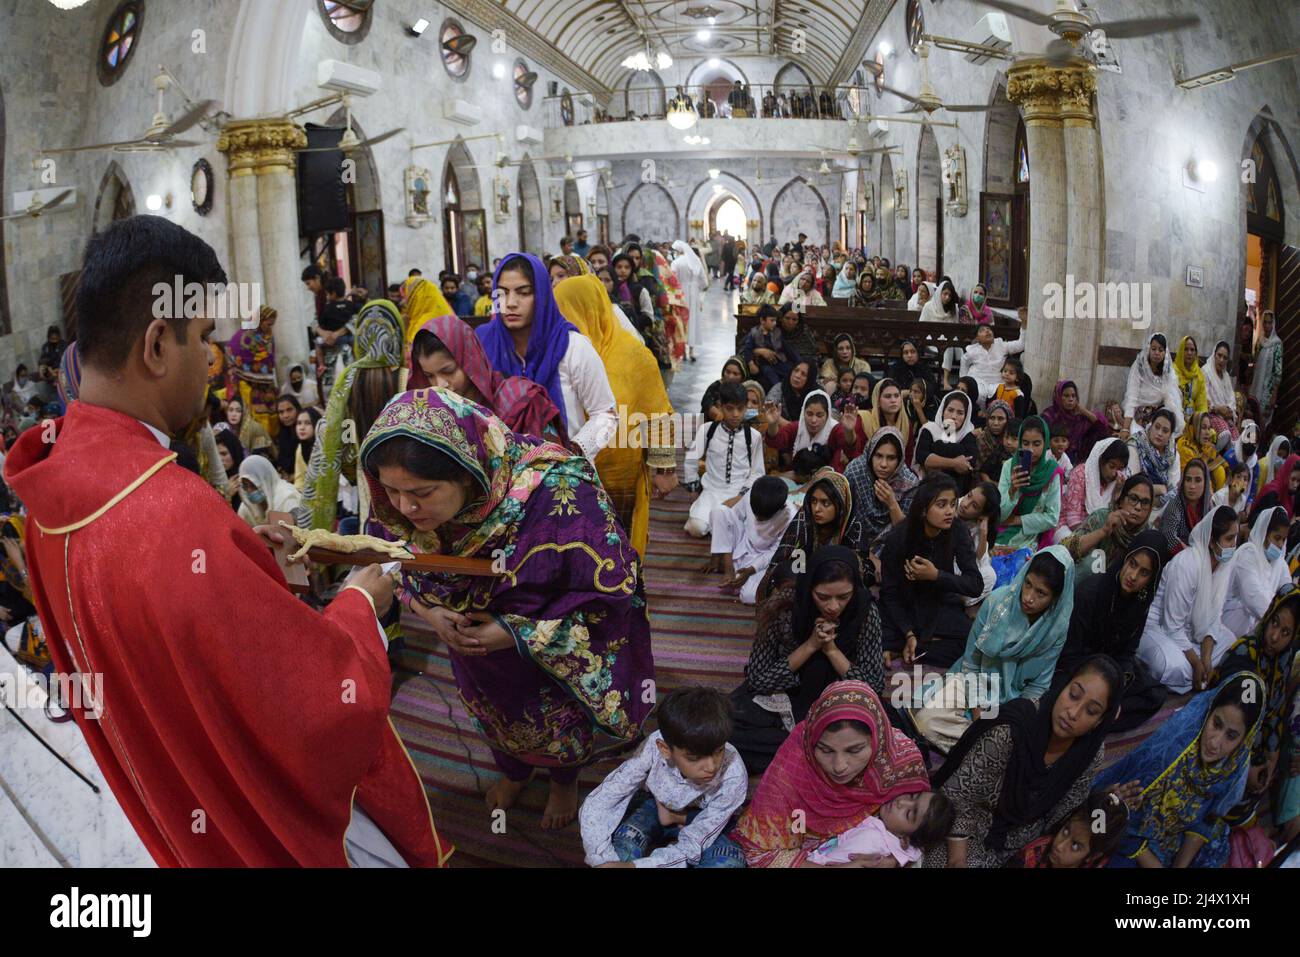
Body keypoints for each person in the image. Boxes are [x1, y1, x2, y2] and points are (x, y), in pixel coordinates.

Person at [3, 216, 448, 867]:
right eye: (206, 339)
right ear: (157, 345)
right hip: (251, 827)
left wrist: (239, 564)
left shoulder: (53, 492)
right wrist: (359, 604)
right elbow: (317, 711)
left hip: (174, 803)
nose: (215, 369)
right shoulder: (171, 513)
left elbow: (169, 631)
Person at [361, 387, 655, 830]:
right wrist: (429, 613)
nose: (404, 507)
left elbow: (612, 594)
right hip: (473, 650)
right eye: (391, 490)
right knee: (494, 712)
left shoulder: (560, 493)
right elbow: (393, 558)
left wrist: (517, 632)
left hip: (547, 657)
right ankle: (514, 771)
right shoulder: (398, 506)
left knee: (557, 721)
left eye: (421, 492)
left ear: (468, 474)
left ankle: (563, 782)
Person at [922, 656, 1123, 868]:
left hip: (1021, 845)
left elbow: (1064, 815)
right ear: (1063, 686)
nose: (1073, 713)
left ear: (1099, 721)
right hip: (966, 832)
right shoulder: (1011, 732)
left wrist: (1102, 804)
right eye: (1073, 695)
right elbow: (959, 799)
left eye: (1091, 711)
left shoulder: (1088, 756)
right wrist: (957, 861)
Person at [732, 680, 930, 867]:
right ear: (812, 742)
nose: (839, 766)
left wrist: (894, 858)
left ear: (878, 739)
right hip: (802, 846)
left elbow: (926, 821)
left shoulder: (903, 762)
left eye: (854, 750)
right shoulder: (795, 762)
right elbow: (762, 852)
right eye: (825, 750)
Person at [730, 549, 886, 774]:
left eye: (843, 597)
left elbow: (872, 686)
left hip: (840, 698)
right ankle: (816, 752)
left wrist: (831, 650)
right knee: (728, 729)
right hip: (788, 693)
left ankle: (805, 752)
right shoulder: (783, 608)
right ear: (808, 588)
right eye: (823, 597)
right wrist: (811, 645)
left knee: (887, 734)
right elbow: (758, 680)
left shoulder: (865, 611)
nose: (833, 606)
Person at [908, 546, 1076, 753]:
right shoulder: (997, 603)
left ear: (1055, 599)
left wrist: (1014, 716)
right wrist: (978, 713)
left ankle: (977, 748)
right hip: (973, 679)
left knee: (1026, 739)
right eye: (1028, 584)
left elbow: (1038, 687)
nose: (1029, 597)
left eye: (1041, 593)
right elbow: (971, 661)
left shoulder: (1056, 630)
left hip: (1013, 698)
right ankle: (985, 750)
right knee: (927, 721)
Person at [554, 275, 677, 555]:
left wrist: (665, 468)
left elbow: (657, 413)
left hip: (624, 476)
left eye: (572, 310)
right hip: (574, 472)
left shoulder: (634, 356)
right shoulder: (558, 354)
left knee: (621, 549)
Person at [1093, 672, 1265, 868]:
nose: (1215, 743)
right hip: (1135, 838)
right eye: (1216, 724)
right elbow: (1118, 819)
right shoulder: (1167, 750)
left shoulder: (1230, 769)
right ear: (1207, 712)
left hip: (1177, 842)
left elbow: (1207, 819)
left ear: (1243, 741)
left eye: (1231, 736)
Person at [580, 687, 747, 869]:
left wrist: (636, 867)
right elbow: (605, 798)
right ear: (665, 749)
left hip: (706, 820)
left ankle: (674, 818)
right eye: (694, 757)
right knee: (624, 845)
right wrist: (602, 860)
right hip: (655, 804)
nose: (711, 766)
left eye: (718, 751)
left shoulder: (733, 773)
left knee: (729, 861)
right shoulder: (652, 749)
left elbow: (694, 843)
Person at [477, 253, 618, 463]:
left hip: (563, 477)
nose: (511, 303)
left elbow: (606, 415)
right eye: (502, 293)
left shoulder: (572, 347)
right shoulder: (482, 343)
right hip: (498, 476)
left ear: (542, 296)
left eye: (523, 293)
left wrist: (575, 451)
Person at [298, 299, 405, 530]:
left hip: (369, 488)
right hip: (412, 488)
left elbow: (339, 445)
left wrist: (359, 468)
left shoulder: (348, 380)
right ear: (397, 334)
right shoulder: (410, 379)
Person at [1057, 530, 1170, 732]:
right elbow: (1069, 654)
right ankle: (1097, 716)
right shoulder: (1091, 591)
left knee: (1156, 694)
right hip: (1077, 668)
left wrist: (1117, 690)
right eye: (1133, 564)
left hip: (1111, 670)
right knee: (1061, 694)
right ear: (1125, 558)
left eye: (1144, 573)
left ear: (1152, 579)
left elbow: (1127, 653)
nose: (1133, 576)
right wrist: (1102, 687)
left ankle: (1098, 716)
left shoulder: (1141, 602)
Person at [408, 312, 565, 443]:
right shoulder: (434, 415)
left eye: (448, 371)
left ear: (470, 360)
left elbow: (555, 466)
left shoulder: (523, 402)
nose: (440, 384)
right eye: (429, 376)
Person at [1215, 587, 1299, 832]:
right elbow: (1232, 718)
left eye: (1285, 633)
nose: (1274, 637)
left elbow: (1274, 713)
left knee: (1264, 774)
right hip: (1225, 731)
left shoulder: (1282, 662)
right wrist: (1249, 765)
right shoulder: (1246, 654)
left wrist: (1271, 758)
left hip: (1254, 737)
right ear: (1269, 614)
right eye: (1274, 623)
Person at [879, 475, 984, 667]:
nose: (950, 512)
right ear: (923, 509)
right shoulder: (899, 538)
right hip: (905, 603)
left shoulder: (957, 530)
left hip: (938, 601)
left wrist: (936, 575)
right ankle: (907, 641)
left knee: (973, 643)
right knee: (876, 625)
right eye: (941, 505)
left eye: (953, 504)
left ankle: (915, 650)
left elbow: (975, 585)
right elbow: (890, 593)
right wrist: (908, 632)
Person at [1138, 505, 1241, 694]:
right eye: (1229, 539)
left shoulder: (1224, 566)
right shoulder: (1187, 564)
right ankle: (1193, 674)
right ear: (1211, 540)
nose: (1234, 545)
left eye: (1236, 537)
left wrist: (1207, 658)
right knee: (1172, 666)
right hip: (1160, 629)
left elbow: (1215, 617)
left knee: (1231, 642)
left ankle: (1195, 675)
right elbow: (1172, 626)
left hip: (1193, 634)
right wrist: (1196, 662)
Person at [683, 382, 766, 538]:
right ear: (720, 406)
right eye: (730, 408)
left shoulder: (753, 437)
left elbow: (757, 472)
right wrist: (693, 488)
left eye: (740, 409)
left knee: (735, 530)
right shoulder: (708, 430)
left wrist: (741, 496)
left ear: (746, 408)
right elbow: (690, 460)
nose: (735, 414)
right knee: (696, 528)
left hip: (738, 494)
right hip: (711, 491)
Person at [760, 468, 858, 597]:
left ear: (840, 505)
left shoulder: (852, 528)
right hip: (804, 587)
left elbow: (861, 573)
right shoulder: (803, 524)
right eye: (813, 501)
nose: (817, 509)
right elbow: (791, 566)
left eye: (825, 503)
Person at [706, 476, 797, 605]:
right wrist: (726, 566)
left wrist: (751, 570)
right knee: (719, 512)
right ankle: (729, 568)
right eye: (755, 514)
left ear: (781, 508)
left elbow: (774, 552)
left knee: (749, 597)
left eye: (763, 517)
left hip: (762, 557)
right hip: (744, 542)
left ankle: (741, 572)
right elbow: (733, 518)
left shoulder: (790, 516)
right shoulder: (752, 495)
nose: (758, 519)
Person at [1061, 474, 1156, 581]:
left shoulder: (1148, 536)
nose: (1138, 507)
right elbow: (1066, 550)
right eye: (1133, 499)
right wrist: (1103, 531)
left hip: (1120, 590)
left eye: (1145, 502)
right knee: (1093, 562)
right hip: (1085, 585)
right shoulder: (1102, 517)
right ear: (1121, 500)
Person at [1221, 505, 1292, 638]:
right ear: (1264, 533)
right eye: (1277, 538)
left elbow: (1288, 593)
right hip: (1231, 624)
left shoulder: (1279, 563)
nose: (1281, 544)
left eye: (1284, 539)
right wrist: (1281, 622)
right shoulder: (1248, 554)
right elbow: (1254, 598)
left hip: (1266, 622)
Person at [845, 427, 919, 555]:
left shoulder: (909, 483)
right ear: (870, 454)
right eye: (878, 456)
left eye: (891, 458)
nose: (883, 464)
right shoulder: (855, 473)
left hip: (890, 545)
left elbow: (906, 534)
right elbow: (844, 518)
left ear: (900, 460)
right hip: (854, 541)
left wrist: (892, 503)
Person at [1009, 791, 1130, 868]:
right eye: (1066, 831)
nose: (1059, 846)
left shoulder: (1098, 861)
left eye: (1075, 846)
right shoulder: (1030, 857)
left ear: (1092, 856)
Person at [995, 415, 1062, 552]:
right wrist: (1012, 490)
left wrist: (1018, 520)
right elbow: (1000, 513)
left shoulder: (1051, 472)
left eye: (1036, 444)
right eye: (1025, 443)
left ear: (1045, 443)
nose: (1030, 450)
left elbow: (1052, 517)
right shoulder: (1009, 466)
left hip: (1029, 535)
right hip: (1002, 529)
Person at [224, 304, 281, 440]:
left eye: (272, 325)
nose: (270, 328)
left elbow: (270, 359)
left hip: (266, 387)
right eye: (268, 324)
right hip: (248, 386)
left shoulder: (268, 337)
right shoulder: (244, 336)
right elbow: (232, 351)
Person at [1058, 438, 1129, 534]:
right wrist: (1093, 538)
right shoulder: (1081, 474)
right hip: (1068, 526)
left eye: (1119, 469)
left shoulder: (1117, 482)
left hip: (1099, 531)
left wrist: (1117, 493)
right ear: (1100, 460)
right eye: (1111, 466)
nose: (1113, 473)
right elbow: (1072, 520)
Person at [914, 390, 979, 494]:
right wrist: (954, 463)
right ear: (942, 410)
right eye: (950, 410)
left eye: (960, 413)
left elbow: (967, 465)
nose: (954, 416)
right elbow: (922, 456)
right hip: (928, 487)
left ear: (966, 416)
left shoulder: (968, 435)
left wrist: (935, 459)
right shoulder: (930, 429)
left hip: (957, 492)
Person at [1121, 333, 1185, 438]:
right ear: (1148, 349)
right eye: (1154, 349)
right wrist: (1125, 428)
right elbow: (1132, 396)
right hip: (1140, 414)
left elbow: (1170, 398)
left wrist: (1173, 419)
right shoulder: (1139, 367)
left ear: (1165, 352)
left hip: (1159, 413)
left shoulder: (1168, 371)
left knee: (1166, 433)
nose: (1157, 353)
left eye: (1161, 350)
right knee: (1143, 438)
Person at [1041, 379, 1110, 464]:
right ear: (1058, 397)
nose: (1070, 399)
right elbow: (1041, 437)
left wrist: (1084, 410)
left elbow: (1102, 428)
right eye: (1066, 396)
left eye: (1073, 396)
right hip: (1050, 457)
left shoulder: (1079, 417)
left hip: (1073, 459)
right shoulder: (1049, 415)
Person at [1127, 407, 1181, 510]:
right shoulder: (1136, 444)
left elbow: (1174, 489)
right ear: (1151, 425)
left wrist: (1159, 494)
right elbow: (1132, 485)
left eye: (1165, 431)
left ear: (1170, 435)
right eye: (1157, 427)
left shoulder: (1172, 454)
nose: (1159, 433)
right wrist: (1159, 489)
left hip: (1164, 507)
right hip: (1136, 505)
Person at [1157, 457, 1212, 555]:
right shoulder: (1176, 504)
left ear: (1205, 483)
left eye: (1198, 480)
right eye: (1188, 479)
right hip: (1174, 560)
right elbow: (1169, 537)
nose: (1192, 486)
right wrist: (1191, 557)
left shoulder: (1209, 508)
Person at [235, 453, 302, 528]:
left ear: (265, 480)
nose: (250, 490)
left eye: (254, 485)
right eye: (245, 486)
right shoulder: (246, 507)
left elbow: (296, 533)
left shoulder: (287, 498)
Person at [670, 239, 707, 362]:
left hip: (680, 295)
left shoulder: (676, 262)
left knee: (681, 321)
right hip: (694, 294)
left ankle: (683, 353)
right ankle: (691, 351)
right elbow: (704, 282)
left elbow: (672, 281)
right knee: (693, 321)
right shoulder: (696, 262)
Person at [1176, 411, 1228, 491]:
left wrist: (1228, 469)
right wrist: (1204, 459)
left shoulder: (1204, 444)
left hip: (1204, 481)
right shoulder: (1184, 447)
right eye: (1203, 428)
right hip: (1189, 487)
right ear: (1194, 428)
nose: (1208, 432)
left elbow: (1217, 458)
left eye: (1209, 428)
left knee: (1220, 470)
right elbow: (1193, 476)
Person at [1251, 310, 1283, 426]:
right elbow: (1254, 362)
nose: (1267, 326)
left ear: (1273, 324)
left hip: (1268, 389)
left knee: (1263, 421)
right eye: (1265, 322)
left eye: (1270, 323)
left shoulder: (1277, 344)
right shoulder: (1259, 342)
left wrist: (1274, 394)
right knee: (1252, 417)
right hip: (1255, 385)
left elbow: (1278, 372)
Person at [1203, 339, 1238, 439]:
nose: (1221, 360)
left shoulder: (1226, 376)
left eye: (1225, 358)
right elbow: (1205, 398)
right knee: (1225, 434)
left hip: (1226, 417)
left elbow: (1231, 398)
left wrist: (1229, 411)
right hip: (1212, 415)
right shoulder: (1206, 372)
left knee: (1237, 438)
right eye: (1219, 355)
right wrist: (1218, 409)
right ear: (1214, 355)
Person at [1172, 335, 1209, 425]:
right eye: (1186, 349)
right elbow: (1170, 400)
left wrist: (1202, 421)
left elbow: (1202, 403)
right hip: (1175, 415)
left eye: (1192, 350)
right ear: (1181, 351)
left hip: (1193, 419)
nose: (1189, 353)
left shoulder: (1199, 374)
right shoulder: (1173, 371)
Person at [974, 398, 1013, 483]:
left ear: (1008, 420)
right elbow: (976, 472)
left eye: (1000, 419)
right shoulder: (980, 439)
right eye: (992, 418)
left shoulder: (1013, 443)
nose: (995, 423)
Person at [700, 356, 748, 421]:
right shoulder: (715, 387)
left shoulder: (746, 389)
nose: (730, 376)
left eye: (735, 374)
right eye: (728, 372)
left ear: (742, 377)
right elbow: (707, 404)